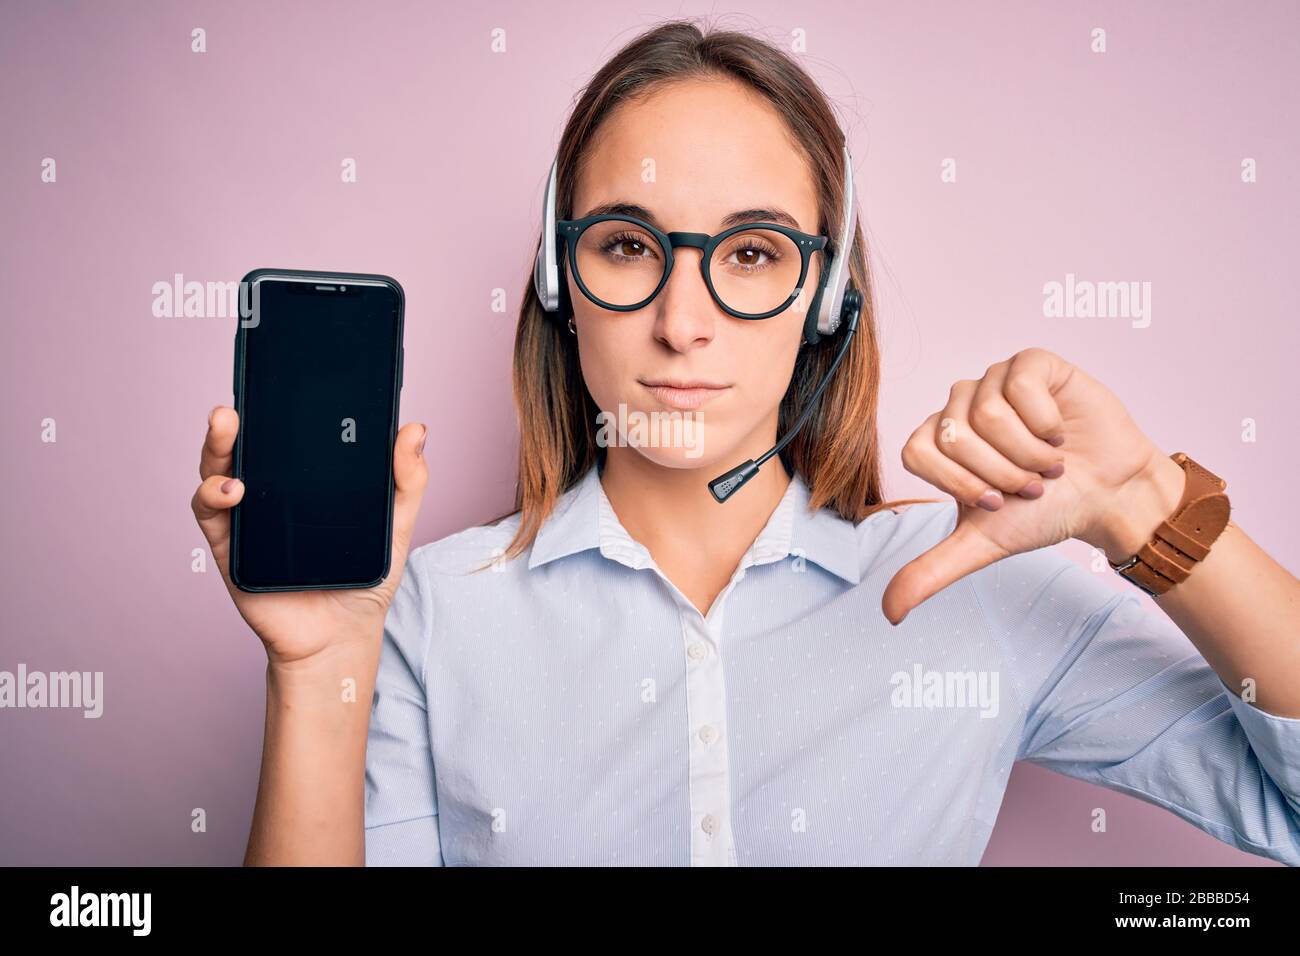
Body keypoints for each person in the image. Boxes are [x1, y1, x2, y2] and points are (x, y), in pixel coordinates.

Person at [191, 20, 1300, 866]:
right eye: (627, 245)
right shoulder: (430, 608)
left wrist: (1152, 512)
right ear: (556, 280)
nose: (682, 319)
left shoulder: (985, 594)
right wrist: (320, 668)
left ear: (825, 299)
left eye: (754, 252)